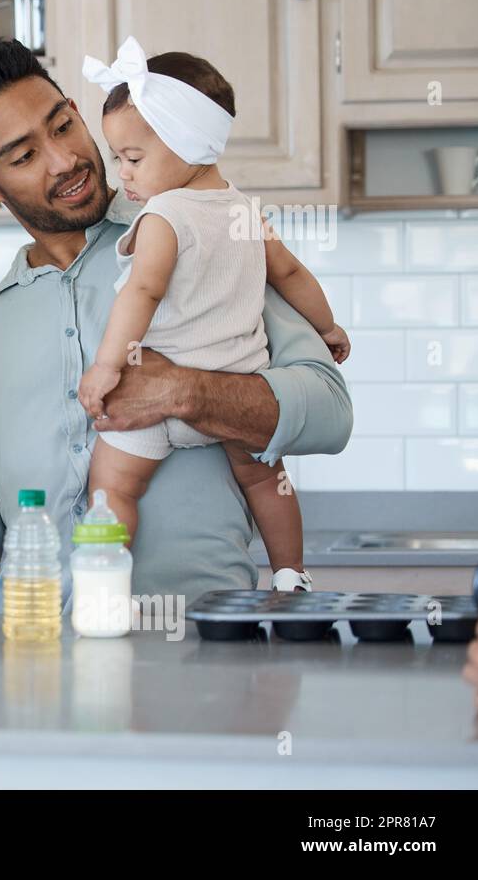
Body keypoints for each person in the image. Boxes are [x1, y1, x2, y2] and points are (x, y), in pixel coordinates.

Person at [0, 39, 352, 611]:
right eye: (23, 157)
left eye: (63, 126)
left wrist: (184, 391)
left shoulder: (203, 238)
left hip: (195, 645)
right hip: (30, 654)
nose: (64, 160)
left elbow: (328, 412)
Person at [75, 37, 350, 593]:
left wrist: (107, 365)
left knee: (113, 490)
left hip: (152, 401)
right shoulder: (246, 211)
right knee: (268, 482)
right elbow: (292, 275)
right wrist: (326, 328)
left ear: (187, 143)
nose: (122, 174)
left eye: (132, 158)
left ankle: (103, 587)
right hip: (235, 391)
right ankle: (291, 574)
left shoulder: (165, 215)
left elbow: (143, 292)